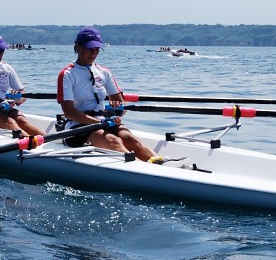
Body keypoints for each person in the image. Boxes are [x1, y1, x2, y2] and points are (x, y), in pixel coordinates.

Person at [55, 26, 185, 165]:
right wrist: (99, 123)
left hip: (103, 120)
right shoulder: (67, 74)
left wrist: (118, 109)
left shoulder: (104, 72)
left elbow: (121, 105)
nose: (93, 53)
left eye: (97, 49)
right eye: (89, 49)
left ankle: (160, 164)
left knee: (130, 139)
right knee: (114, 141)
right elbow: (69, 112)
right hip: (77, 126)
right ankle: (140, 169)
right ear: (78, 47)